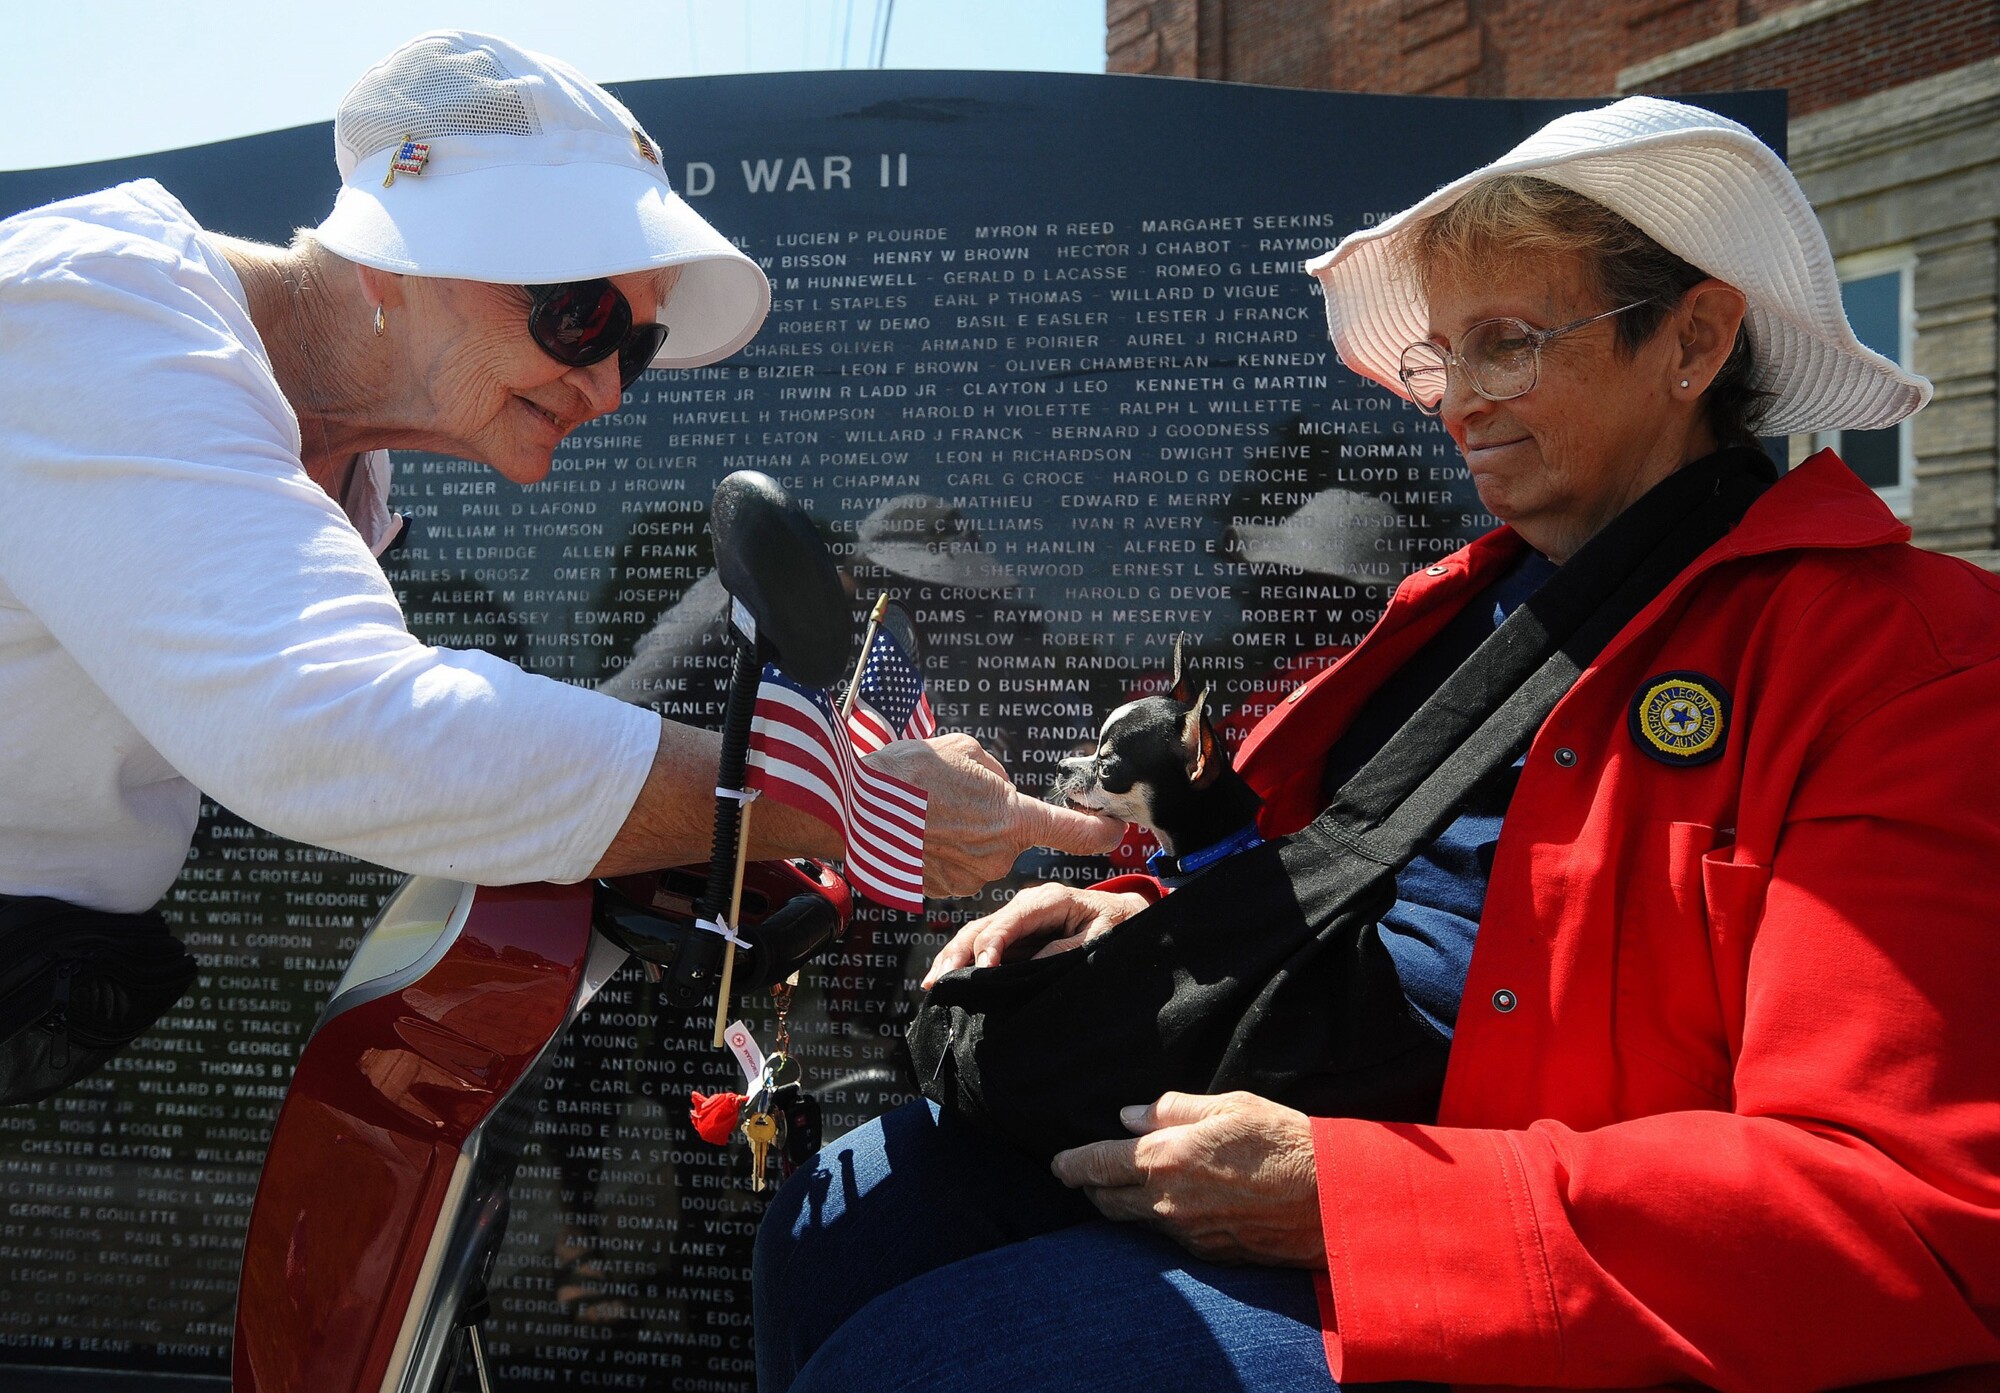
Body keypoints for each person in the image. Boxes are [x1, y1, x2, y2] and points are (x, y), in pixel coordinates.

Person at [753, 97, 2000, 1391]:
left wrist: (1361, 1200)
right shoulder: (1474, 605)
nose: (1456, 402)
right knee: (836, 1215)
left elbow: (1914, 1212)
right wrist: (1136, 913)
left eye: (1507, 346)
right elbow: (1332, 859)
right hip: (1326, 1109)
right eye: (1441, 357)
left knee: (923, 1358)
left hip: (1501, 1271)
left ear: (1693, 340)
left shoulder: (1910, 662)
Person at [0, 33, 1117, 945]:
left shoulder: (340, 461)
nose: (606, 387)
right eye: (577, 313)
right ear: (396, 258)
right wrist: (836, 799)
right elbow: (344, 733)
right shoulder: (94, 312)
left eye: (632, 344)